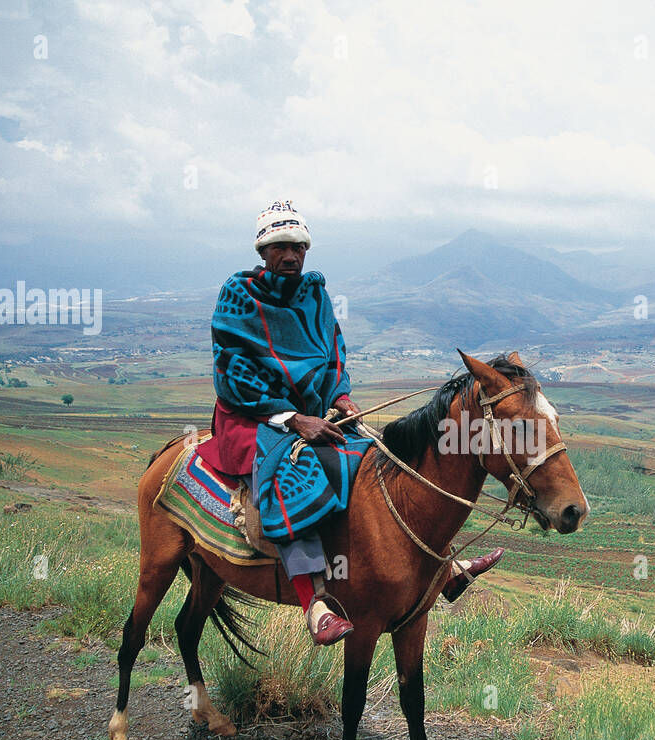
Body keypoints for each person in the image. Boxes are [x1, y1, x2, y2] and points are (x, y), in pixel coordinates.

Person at [196, 201, 502, 646]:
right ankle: (314, 601)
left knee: (379, 464)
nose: (291, 256)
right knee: (292, 475)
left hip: (318, 412)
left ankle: (441, 565)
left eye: (298, 246)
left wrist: (339, 397)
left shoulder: (314, 294)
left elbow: (332, 352)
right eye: (280, 247)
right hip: (255, 415)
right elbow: (231, 373)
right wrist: (294, 419)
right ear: (262, 252)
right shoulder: (238, 298)